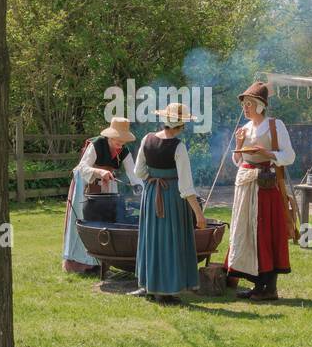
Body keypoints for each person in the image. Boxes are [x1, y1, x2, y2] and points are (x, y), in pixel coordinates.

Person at [227, 82, 295, 301]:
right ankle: (258, 285)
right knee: (248, 233)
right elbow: (238, 160)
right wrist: (238, 145)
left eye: (249, 104)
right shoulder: (245, 129)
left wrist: (268, 153)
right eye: (244, 104)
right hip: (247, 185)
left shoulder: (275, 125)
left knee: (267, 233)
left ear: (260, 105)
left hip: (266, 185)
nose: (245, 108)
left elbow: (289, 156)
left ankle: (270, 287)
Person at [134, 103, 206, 304]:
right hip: (171, 197)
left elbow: (139, 172)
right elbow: (186, 187)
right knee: (169, 242)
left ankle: (149, 285)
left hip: (151, 196)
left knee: (152, 240)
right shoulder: (179, 147)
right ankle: (166, 291)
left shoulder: (146, 139)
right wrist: (199, 215)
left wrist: (153, 178)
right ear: (181, 125)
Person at [63, 117, 143, 273]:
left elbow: (133, 173)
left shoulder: (124, 151)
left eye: (123, 140)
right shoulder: (96, 144)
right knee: (83, 221)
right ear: (110, 136)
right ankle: (80, 263)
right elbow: (82, 168)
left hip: (106, 184)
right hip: (84, 184)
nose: (120, 143)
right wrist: (99, 171)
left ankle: (101, 263)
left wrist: (139, 187)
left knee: (104, 221)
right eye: (117, 140)